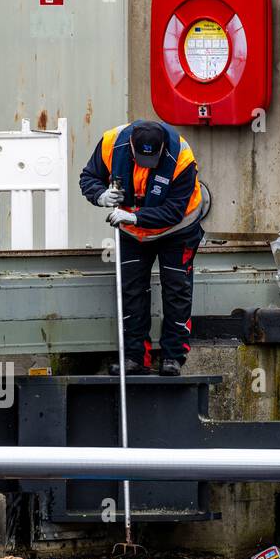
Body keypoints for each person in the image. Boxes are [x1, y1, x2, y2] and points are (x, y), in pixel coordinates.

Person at [79, 119, 209, 375]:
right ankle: (136, 358)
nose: (146, 166)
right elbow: (89, 177)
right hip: (131, 233)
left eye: (153, 161)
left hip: (177, 229)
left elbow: (174, 211)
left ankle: (173, 357)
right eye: (140, 159)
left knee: (176, 289)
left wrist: (135, 217)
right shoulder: (110, 143)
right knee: (132, 290)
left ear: (162, 150)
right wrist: (100, 195)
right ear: (130, 147)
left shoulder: (182, 157)